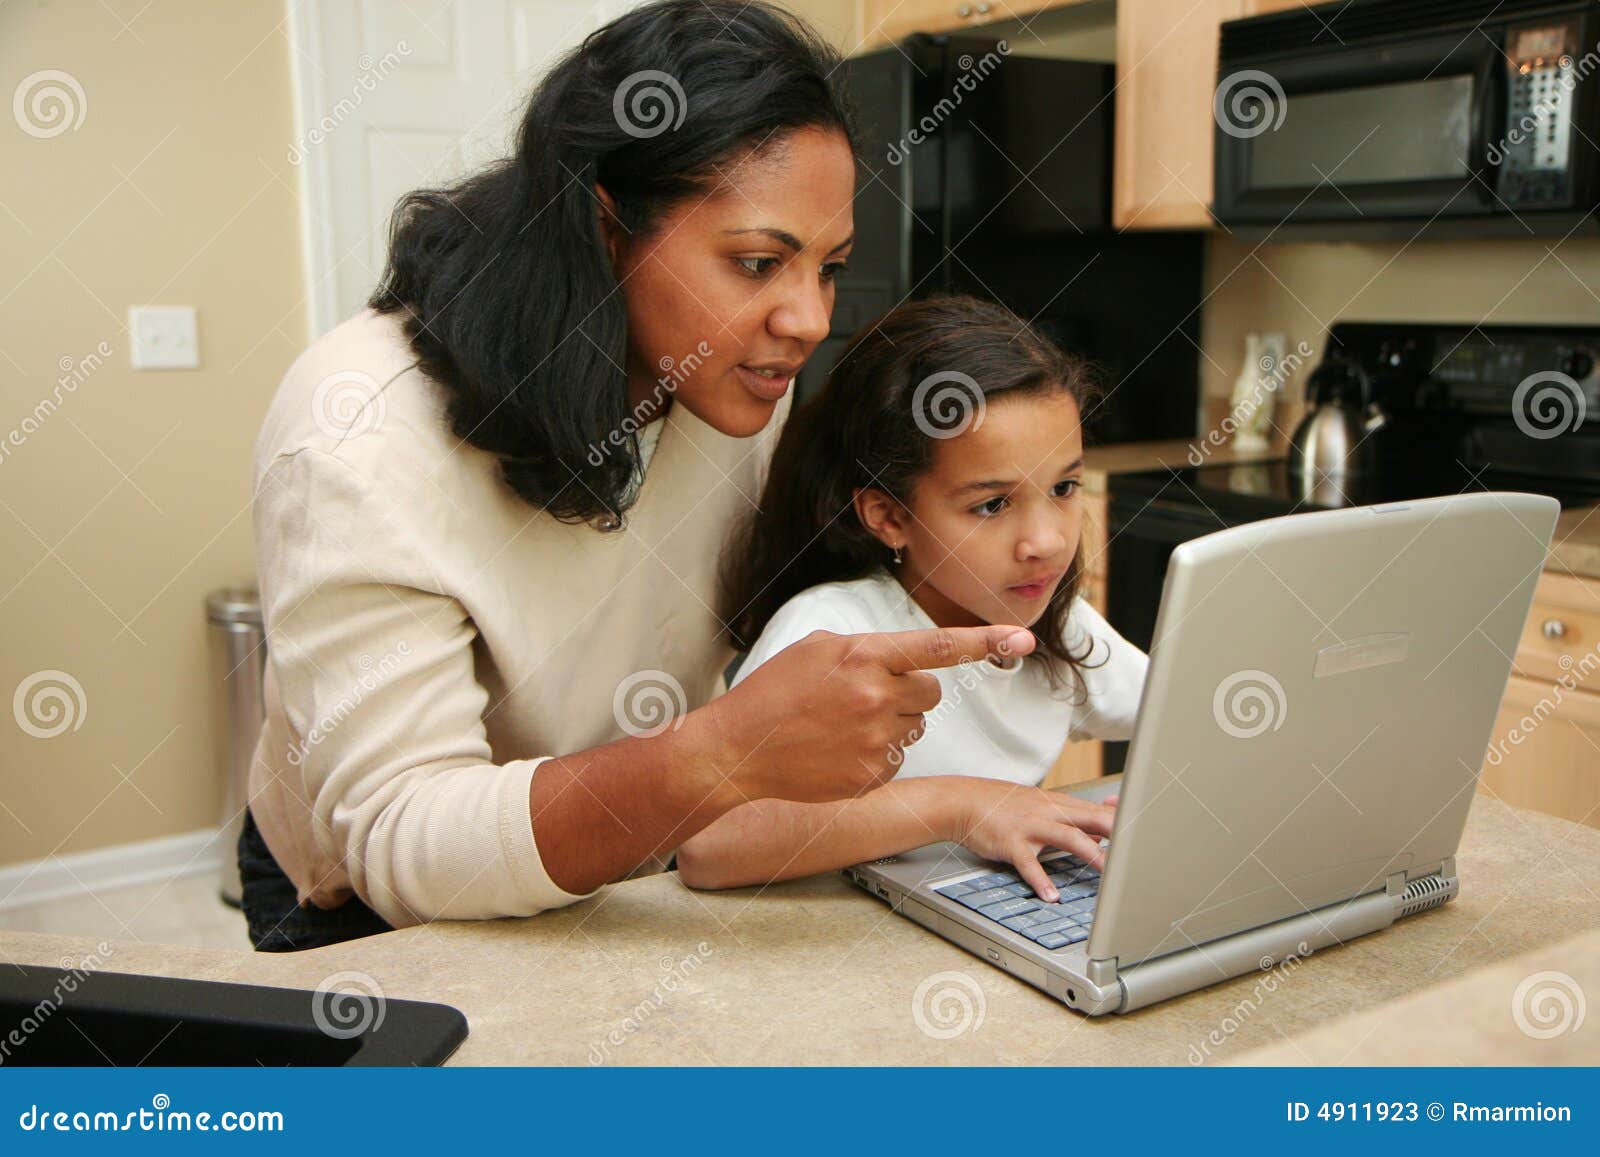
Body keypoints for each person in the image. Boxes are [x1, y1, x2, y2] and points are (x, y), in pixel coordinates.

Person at [240, 1, 1030, 951]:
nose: (810, 320)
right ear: (604, 226)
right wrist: (717, 758)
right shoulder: (358, 437)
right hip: (376, 908)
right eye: (757, 263)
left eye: (829, 268)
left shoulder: (732, 377)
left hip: (630, 857)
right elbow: (409, 848)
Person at [678, 296, 1148, 902]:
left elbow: (1191, 711)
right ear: (889, 517)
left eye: (1063, 488)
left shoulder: (1058, 622)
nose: (1047, 541)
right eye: (992, 504)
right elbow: (709, 846)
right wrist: (958, 806)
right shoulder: (831, 629)